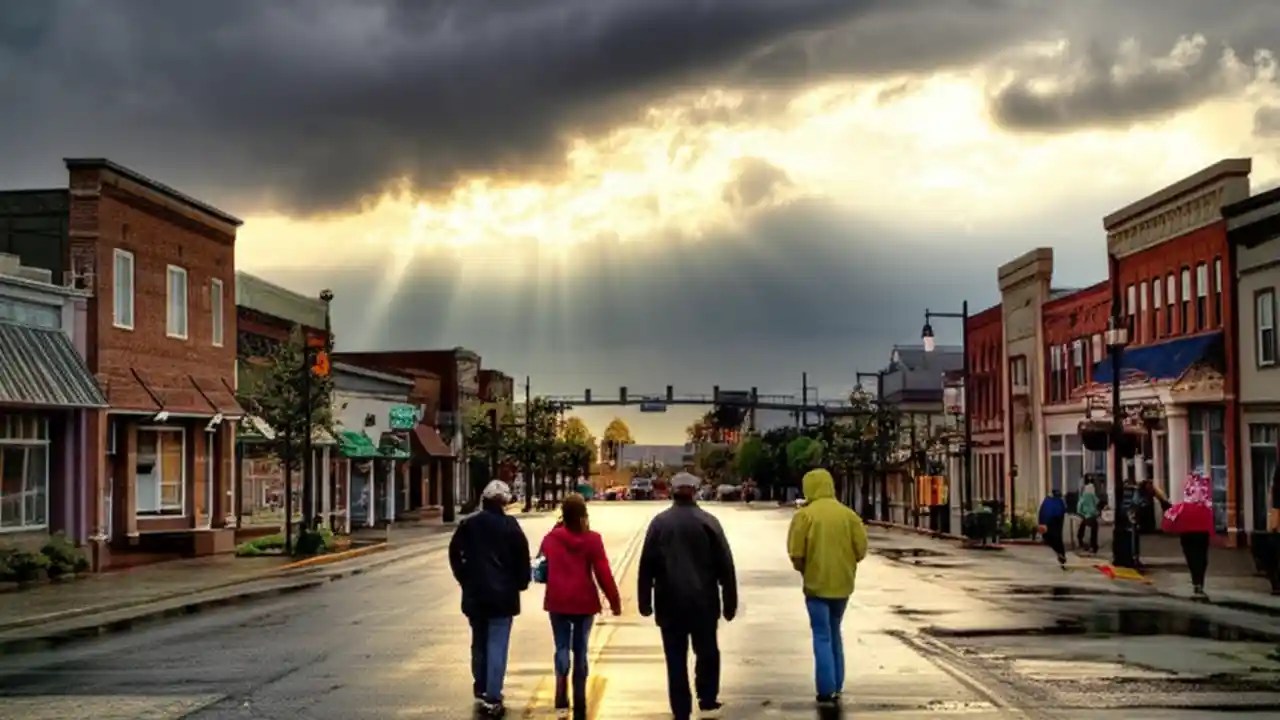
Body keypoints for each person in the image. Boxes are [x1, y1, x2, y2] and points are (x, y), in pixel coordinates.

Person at [638, 471, 738, 720]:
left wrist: (644, 602)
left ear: (673, 491)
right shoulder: (709, 522)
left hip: (669, 603)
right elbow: (725, 566)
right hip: (703, 603)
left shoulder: (659, 524)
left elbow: (646, 565)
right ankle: (706, 696)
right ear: (694, 492)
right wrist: (729, 602)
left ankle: (681, 707)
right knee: (707, 651)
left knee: (675, 658)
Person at [786, 468, 869, 707]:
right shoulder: (849, 515)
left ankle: (825, 687)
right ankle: (838, 683)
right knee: (835, 632)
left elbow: (796, 552)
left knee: (821, 635)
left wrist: (804, 568)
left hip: (815, 585)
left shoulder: (804, 516)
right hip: (843, 585)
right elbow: (861, 549)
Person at [449, 480, 531, 716]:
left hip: (475, 595)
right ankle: (493, 695)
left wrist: (464, 578)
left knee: (479, 642)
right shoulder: (511, 526)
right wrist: (520, 583)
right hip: (504, 597)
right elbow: (522, 559)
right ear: (504, 502)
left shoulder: (468, 525)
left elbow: (455, 554)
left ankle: (481, 687)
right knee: (497, 644)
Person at [538, 493, 622, 719]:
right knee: (582, 649)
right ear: (584, 515)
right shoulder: (593, 539)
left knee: (562, 646)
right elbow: (603, 573)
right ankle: (580, 697)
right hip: (584, 603)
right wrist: (614, 602)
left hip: (557, 601)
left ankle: (561, 690)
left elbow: (540, 562)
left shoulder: (552, 538)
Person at [1160, 472, 1214, 600]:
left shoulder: (1182, 508)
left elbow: (1169, 517)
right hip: (1201, 535)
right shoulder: (1205, 509)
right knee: (1201, 559)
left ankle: (1197, 583)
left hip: (1188, 535)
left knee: (1192, 558)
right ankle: (1199, 583)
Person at [1038, 489, 1068, 569]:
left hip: (1048, 523)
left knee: (1048, 538)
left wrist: (1041, 522)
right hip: (1056, 523)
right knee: (1057, 539)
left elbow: (1042, 512)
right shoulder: (1059, 501)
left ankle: (1060, 553)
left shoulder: (1047, 501)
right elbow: (1063, 511)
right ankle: (1061, 554)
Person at [1075, 481, 1100, 555]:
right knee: (1094, 532)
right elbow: (1097, 503)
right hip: (1093, 517)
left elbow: (1079, 508)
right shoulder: (1093, 496)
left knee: (1082, 530)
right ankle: (1094, 546)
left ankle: (1083, 544)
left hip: (1085, 517)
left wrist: (1082, 514)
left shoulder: (1083, 496)